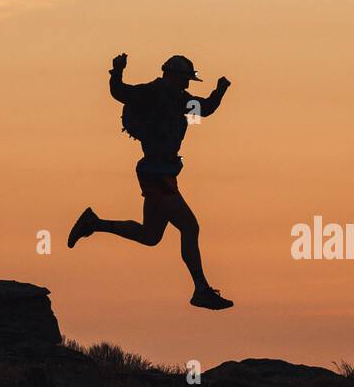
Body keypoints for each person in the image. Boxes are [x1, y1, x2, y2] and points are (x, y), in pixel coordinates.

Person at [67, 53, 233, 310]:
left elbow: (205, 109)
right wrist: (117, 71)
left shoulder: (181, 101)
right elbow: (120, 93)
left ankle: (93, 223)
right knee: (190, 227)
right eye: (185, 79)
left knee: (150, 236)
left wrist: (220, 91)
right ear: (171, 75)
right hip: (156, 174)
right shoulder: (151, 93)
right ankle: (201, 289)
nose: (187, 85)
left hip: (163, 173)